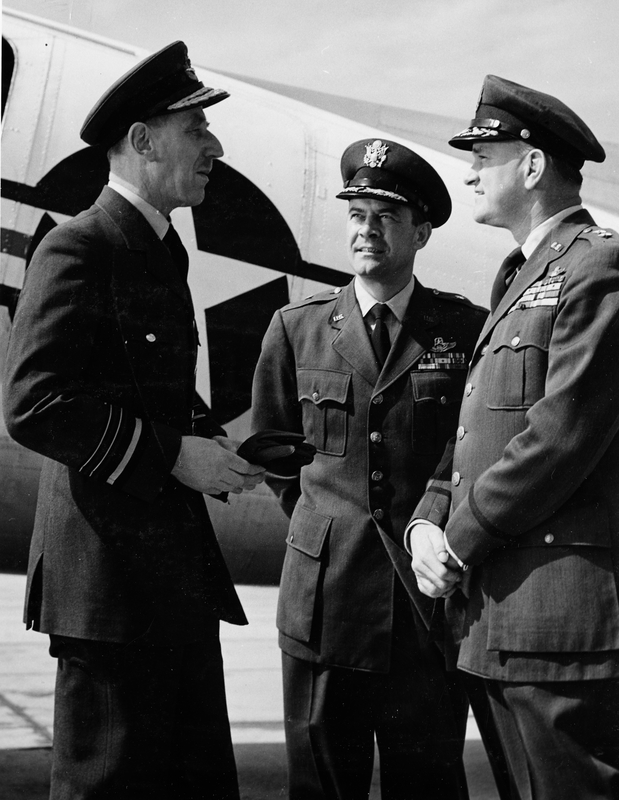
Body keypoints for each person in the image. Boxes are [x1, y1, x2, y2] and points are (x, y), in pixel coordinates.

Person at [2, 41, 266, 800]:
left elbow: (148, 394)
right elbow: (32, 403)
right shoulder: (80, 246)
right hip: (108, 590)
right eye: (196, 129)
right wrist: (174, 455)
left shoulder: (157, 249)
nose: (214, 148)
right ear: (143, 140)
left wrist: (216, 446)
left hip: (168, 577)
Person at [252, 138, 492, 799]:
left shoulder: (463, 331)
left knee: (428, 786)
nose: (367, 231)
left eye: (385, 217)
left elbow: (472, 451)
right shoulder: (297, 329)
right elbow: (278, 455)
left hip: (422, 610)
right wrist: (329, 530)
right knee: (322, 786)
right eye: (357, 215)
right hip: (324, 607)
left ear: (421, 232)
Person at [408, 74, 619, 799]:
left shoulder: (595, 265)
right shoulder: (521, 275)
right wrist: (426, 522)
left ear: (531, 166)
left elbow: (561, 433)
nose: (469, 171)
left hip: (556, 628)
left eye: (483, 156)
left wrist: (459, 540)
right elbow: (477, 429)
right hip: (496, 622)